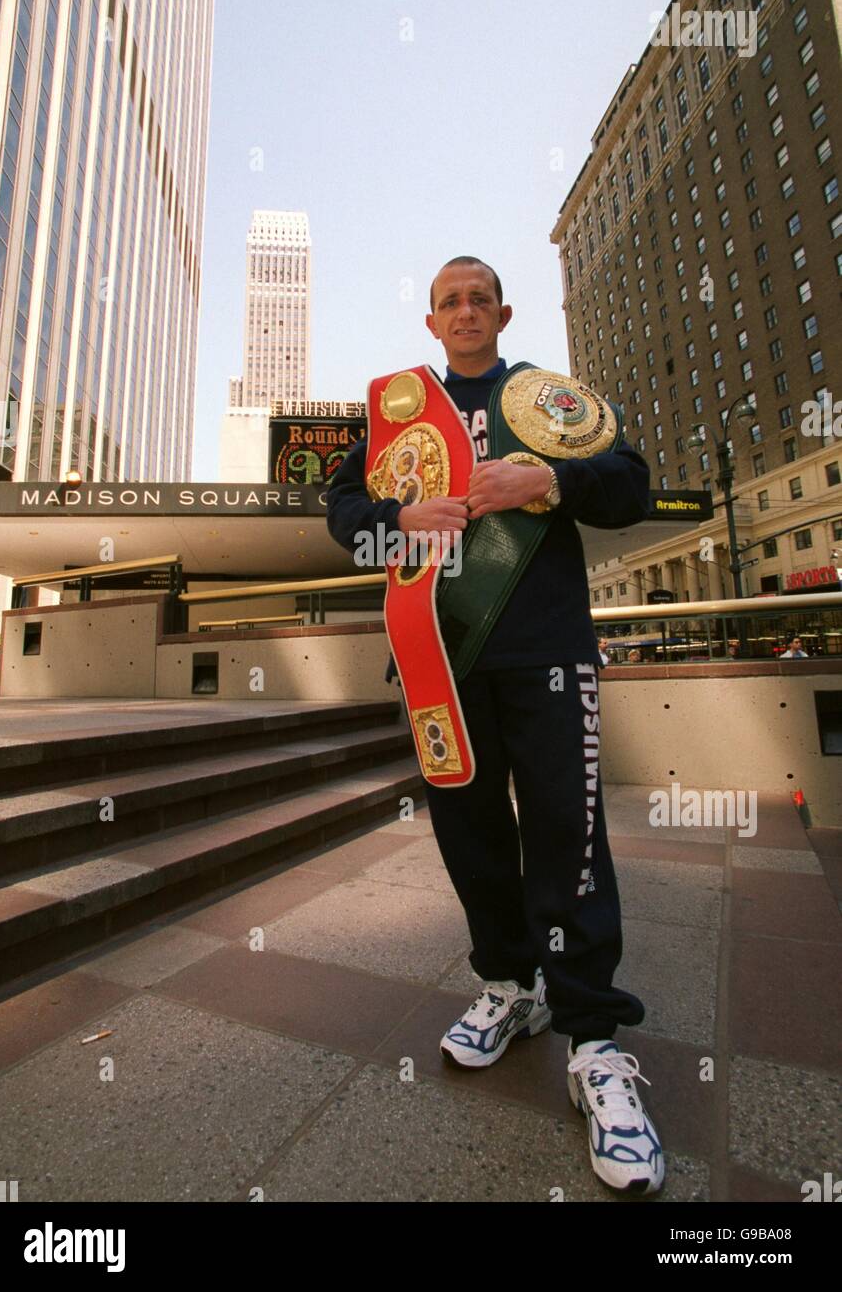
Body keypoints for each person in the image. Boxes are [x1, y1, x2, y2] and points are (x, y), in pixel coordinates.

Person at [325, 256, 664, 1195]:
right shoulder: (399, 412)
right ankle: (512, 987)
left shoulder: (548, 401)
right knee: (469, 834)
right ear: (431, 323)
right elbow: (345, 519)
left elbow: (631, 487)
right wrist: (400, 516)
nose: (466, 311)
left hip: (549, 654)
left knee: (569, 834)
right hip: (440, 661)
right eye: (449, 301)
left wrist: (545, 486)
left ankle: (593, 1035)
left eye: (480, 298)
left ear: (503, 314)